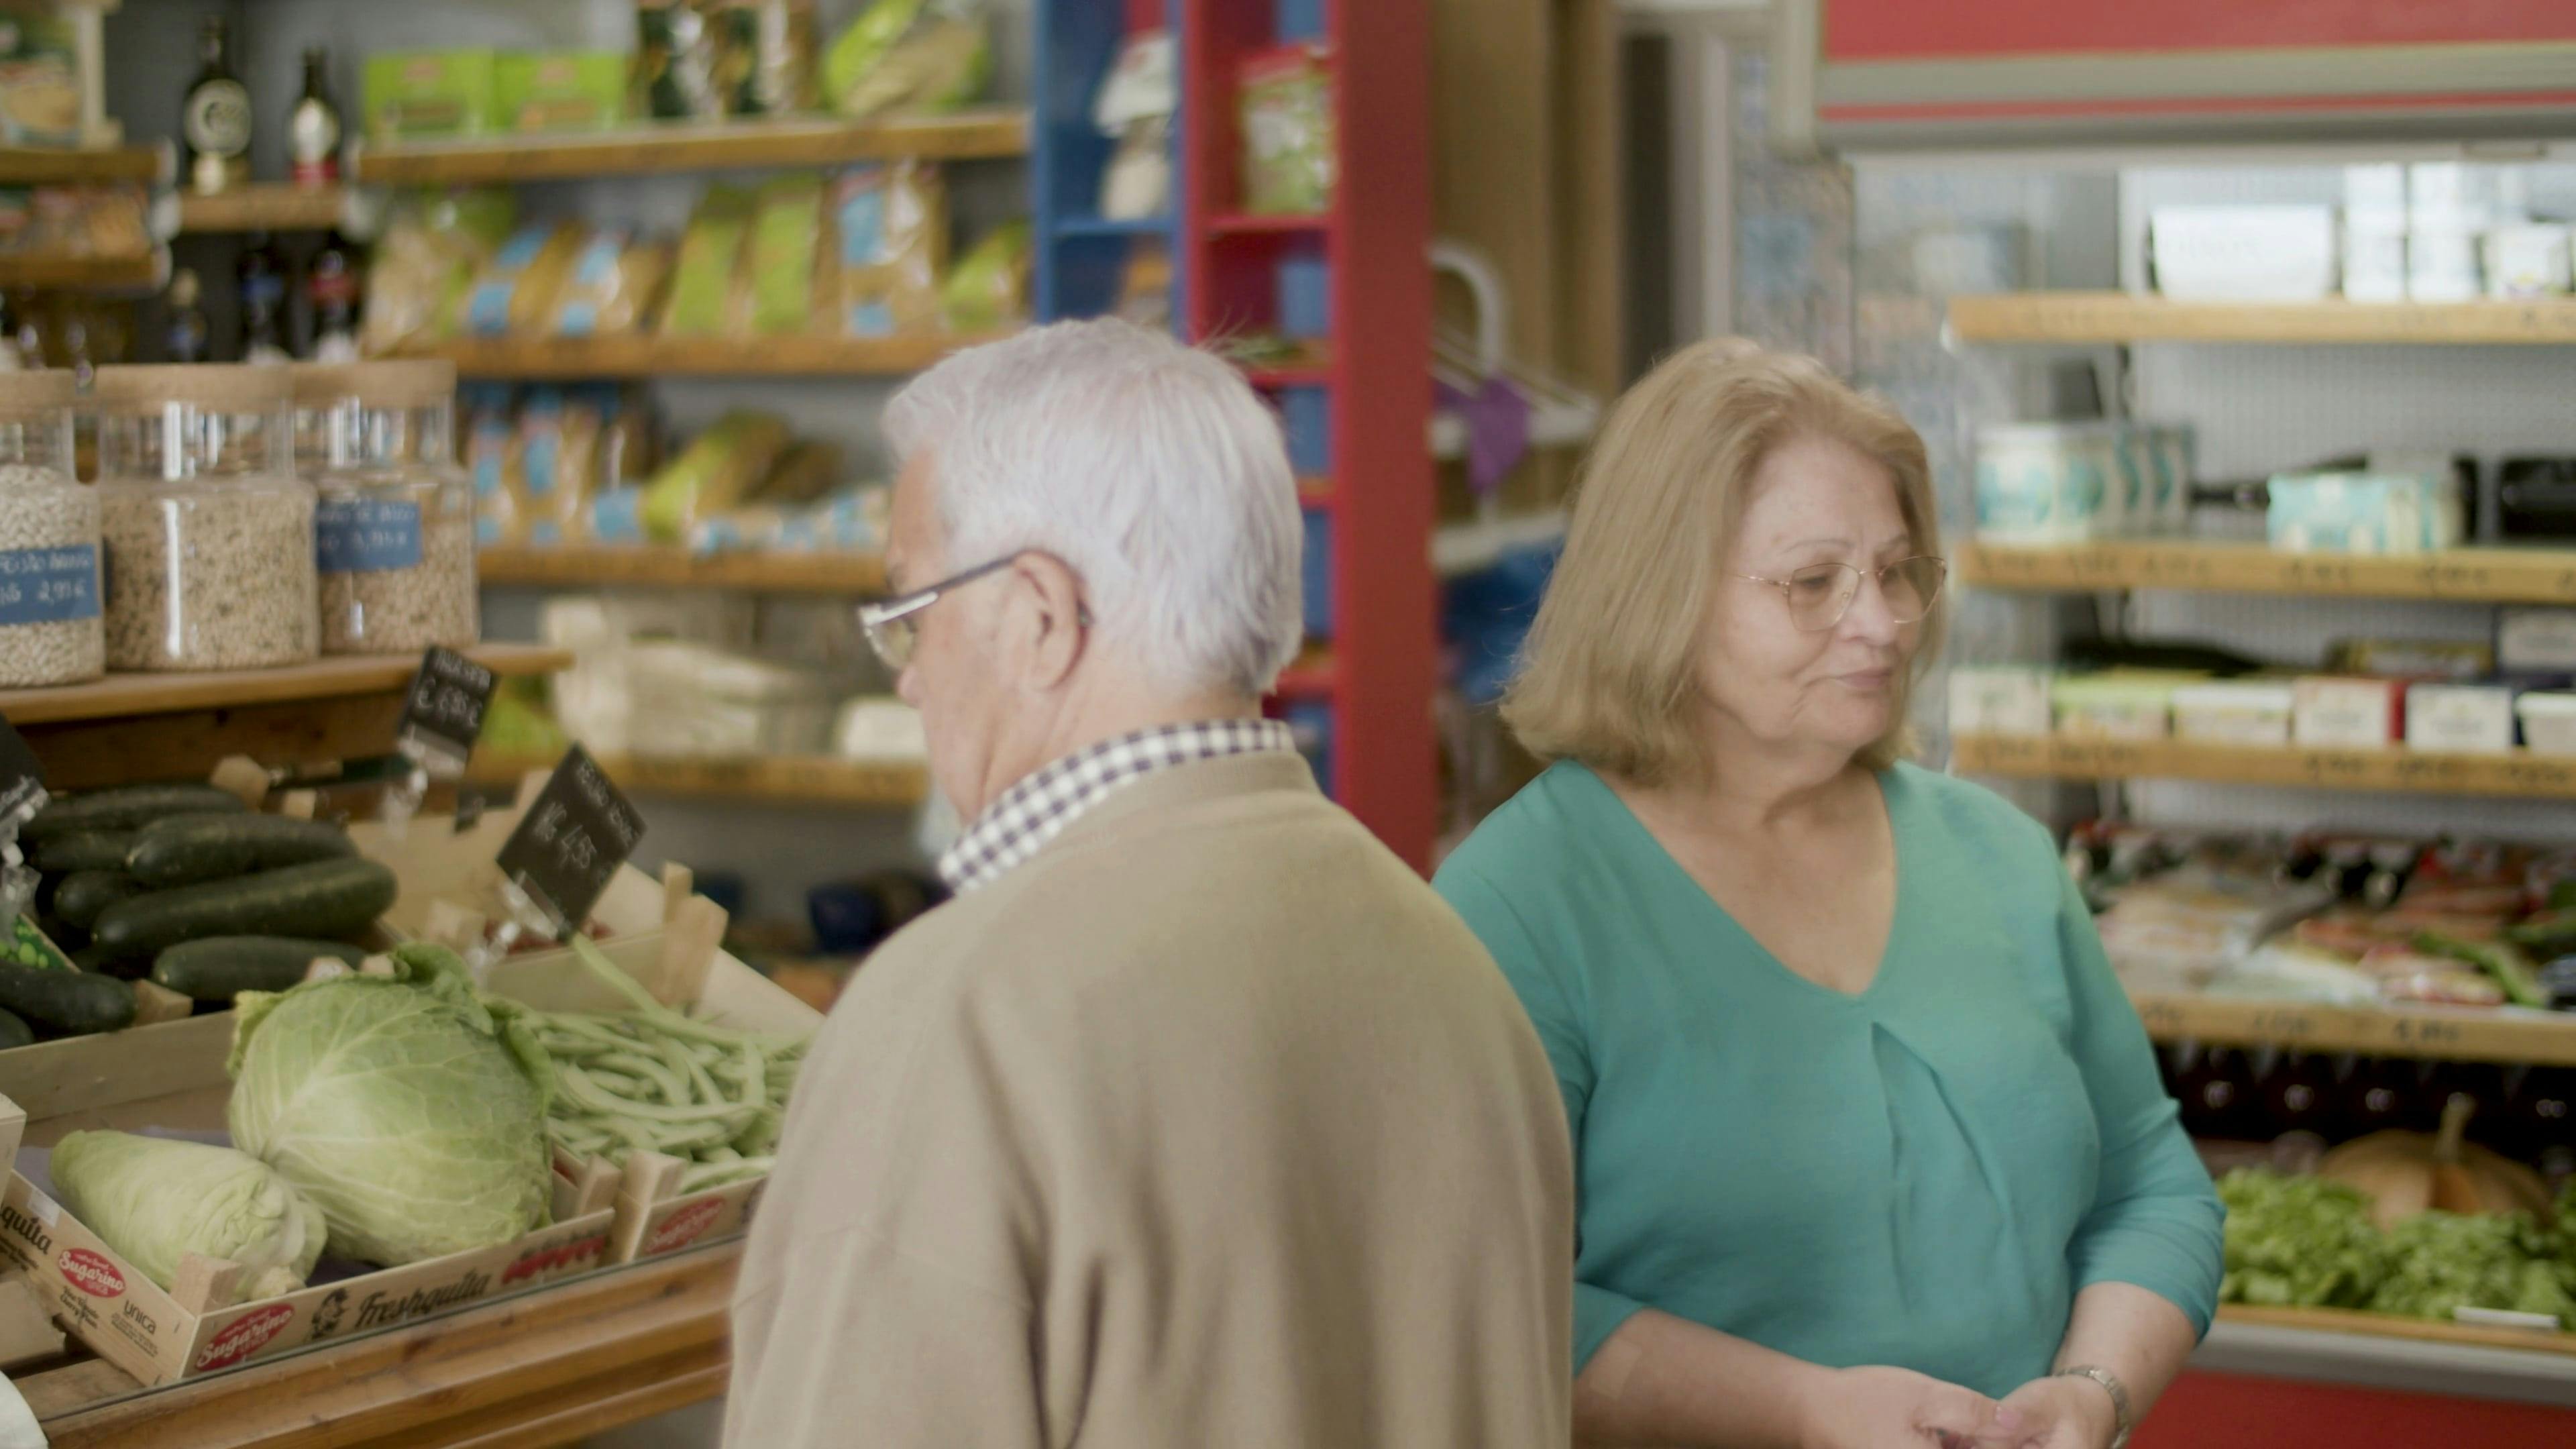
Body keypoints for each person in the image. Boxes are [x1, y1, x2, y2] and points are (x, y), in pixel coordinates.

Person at [724, 319, 1574, 1449]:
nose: (914, 679)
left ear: (1036, 616)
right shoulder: (1459, 975)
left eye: (911, 613)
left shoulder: (955, 1021)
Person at [1434, 339, 2222, 1449]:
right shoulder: (1520, 905)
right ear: (1663, 591)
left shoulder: (1997, 855)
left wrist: (2094, 1390)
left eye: (1898, 570)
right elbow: (1475, 1303)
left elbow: (2152, 1188)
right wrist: (1804, 1410)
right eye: (1815, 583)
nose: (1885, 621)